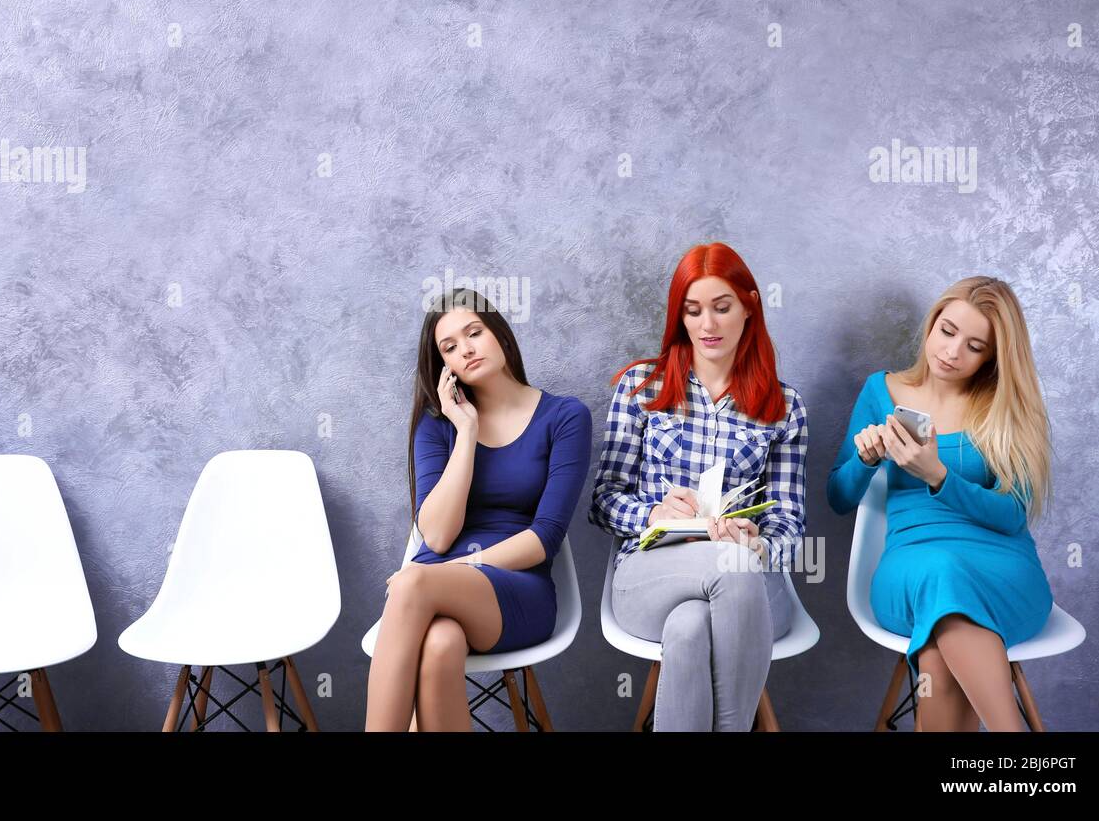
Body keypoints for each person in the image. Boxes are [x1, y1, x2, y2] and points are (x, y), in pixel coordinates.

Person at [591, 242, 807, 731]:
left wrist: (759, 541)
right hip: (650, 574)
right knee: (723, 570)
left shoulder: (785, 406)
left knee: (689, 629)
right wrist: (652, 514)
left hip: (750, 582)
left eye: (722, 307)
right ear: (679, 318)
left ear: (749, 307)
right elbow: (603, 502)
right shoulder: (642, 387)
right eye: (693, 311)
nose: (708, 325)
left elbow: (789, 523)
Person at [827, 276, 1054, 731]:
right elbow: (838, 498)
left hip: (1003, 572)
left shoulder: (1004, 406)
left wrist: (938, 475)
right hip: (911, 564)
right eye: (947, 332)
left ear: (992, 357)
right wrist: (866, 460)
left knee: (938, 647)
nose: (952, 353)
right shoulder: (881, 392)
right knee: (941, 573)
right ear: (932, 324)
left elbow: (1012, 517)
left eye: (974, 346)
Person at [365, 287, 593, 731]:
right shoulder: (437, 425)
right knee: (440, 644)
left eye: (474, 333)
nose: (465, 349)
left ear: (501, 336)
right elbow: (437, 538)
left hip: (515, 588)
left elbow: (545, 537)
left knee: (412, 582)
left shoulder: (565, 417)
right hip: (435, 580)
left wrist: (462, 569)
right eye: (449, 347)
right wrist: (465, 431)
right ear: (444, 366)